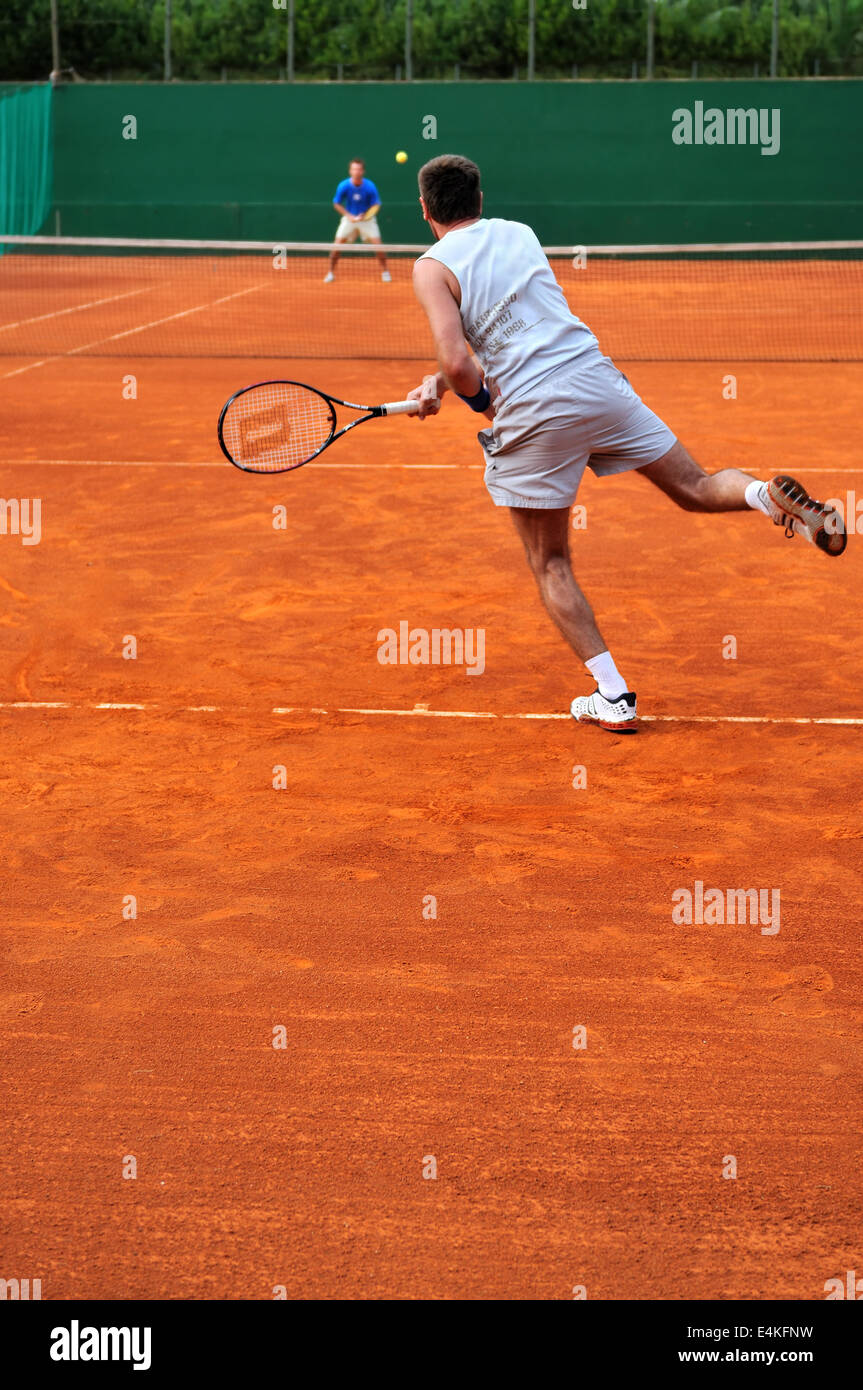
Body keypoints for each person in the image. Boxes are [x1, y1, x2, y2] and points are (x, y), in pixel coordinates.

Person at [407, 154, 846, 734]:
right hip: (596, 380)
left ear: (424, 209)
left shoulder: (430, 267)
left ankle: (613, 696)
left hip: (535, 412)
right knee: (697, 486)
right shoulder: (519, 234)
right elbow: (499, 331)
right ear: (479, 200)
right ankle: (768, 496)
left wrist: (477, 401)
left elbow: (463, 357)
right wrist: (439, 378)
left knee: (551, 561)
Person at [325, 158, 390, 284]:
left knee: (379, 246)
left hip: (367, 220)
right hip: (349, 219)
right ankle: (331, 272)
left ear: (363, 171)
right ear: (350, 171)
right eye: (354, 169)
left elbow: (376, 205)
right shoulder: (344, 185)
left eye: (359, 169)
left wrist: (365, 216)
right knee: (336, 246)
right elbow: (336, 203)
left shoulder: (370, 186)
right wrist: (349, 216)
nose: (356, 172)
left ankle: (385, 271)